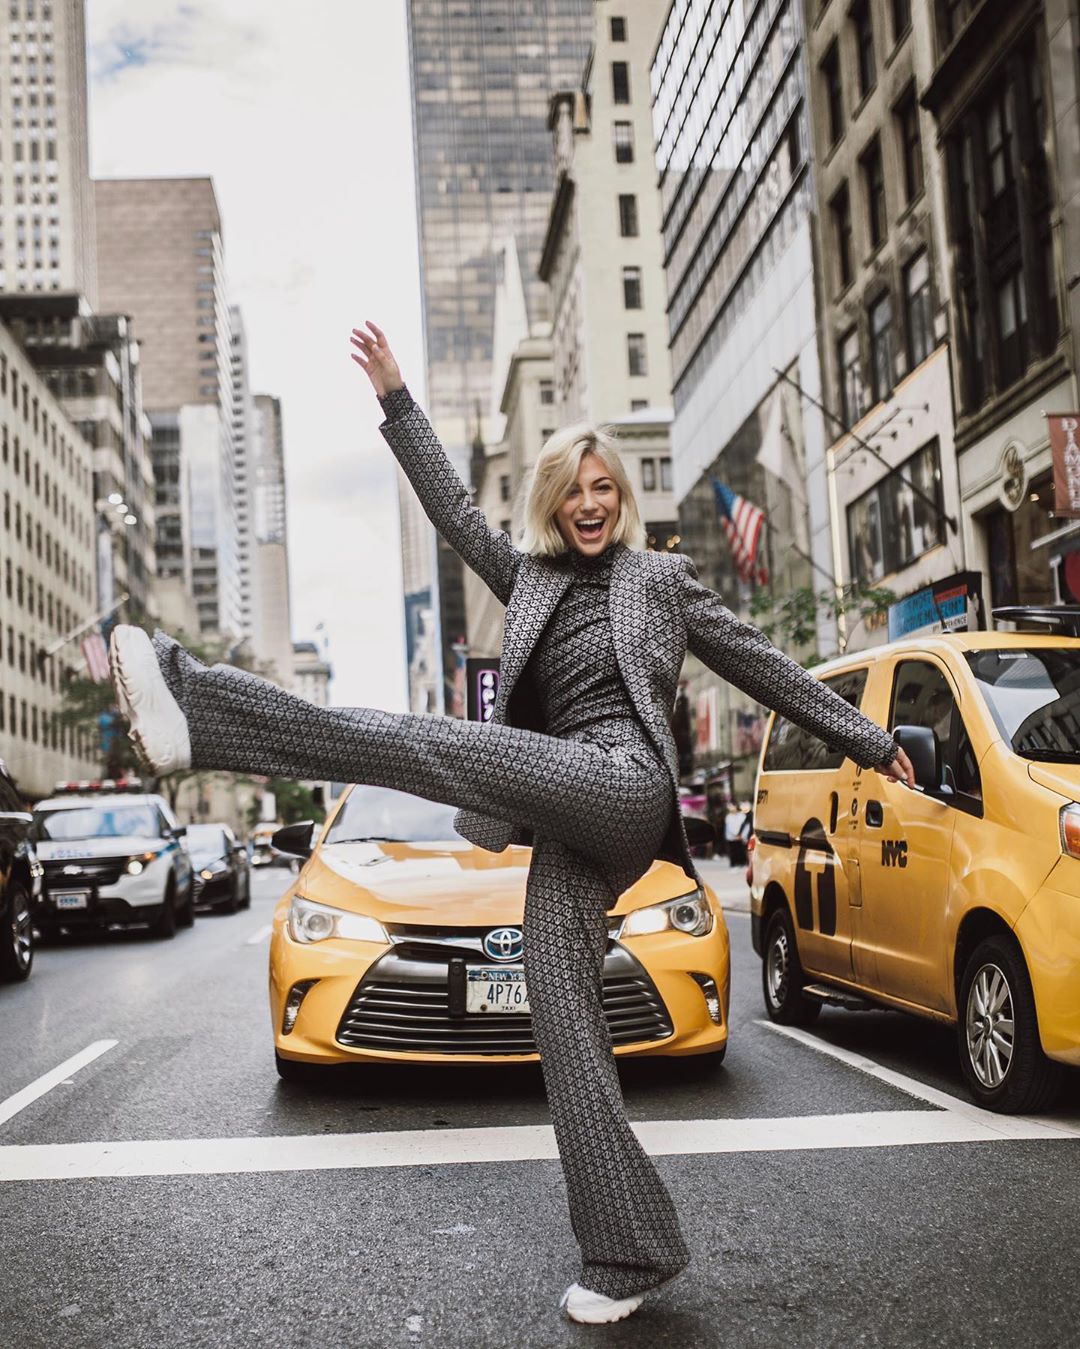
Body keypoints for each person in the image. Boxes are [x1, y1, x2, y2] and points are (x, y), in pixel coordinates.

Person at [107, 322, 914, 1327]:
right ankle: (632, 1250)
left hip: (624, 785)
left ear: (621, 497)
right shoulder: (527, 577)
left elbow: (761, 662)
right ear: (553, 499)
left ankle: (199, 704)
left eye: (604, 488)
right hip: (563, 815)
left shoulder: (659, 580)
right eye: (573, 490)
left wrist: (868, 738)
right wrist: (398, 400)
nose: (589, 503)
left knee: (419, 741)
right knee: (565, 1025)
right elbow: (453, 510)